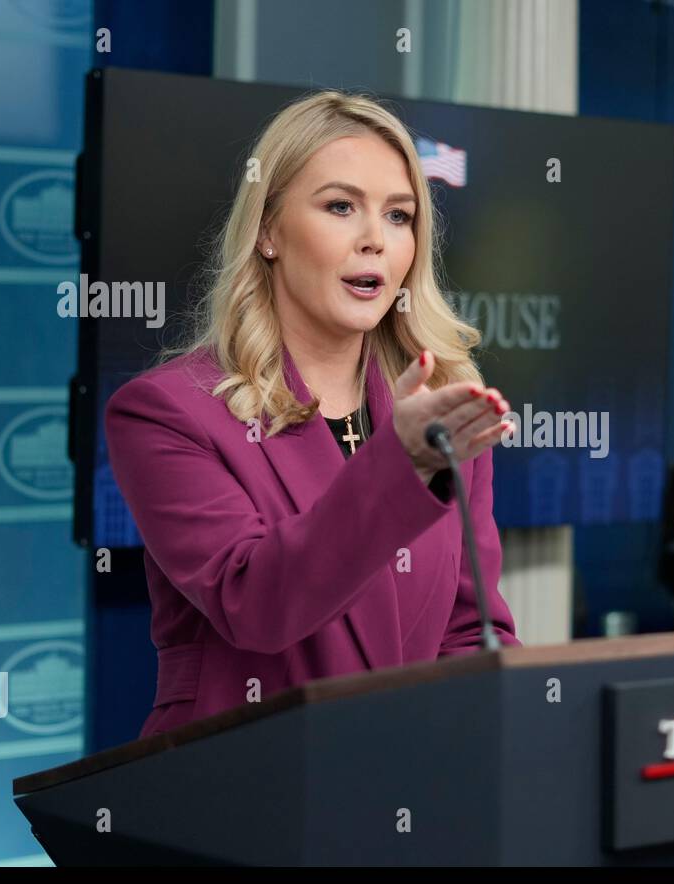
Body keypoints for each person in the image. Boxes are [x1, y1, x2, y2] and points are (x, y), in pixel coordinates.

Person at [105, 90, 520, 738]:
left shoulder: (443, 406)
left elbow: (472, 633)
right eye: (340, 207)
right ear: (268, 231)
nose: (374, 240)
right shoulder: (166, 412)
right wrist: (400, 464)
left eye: (399, 216)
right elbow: (258, 604)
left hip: (399, 801)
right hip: (238, 794)